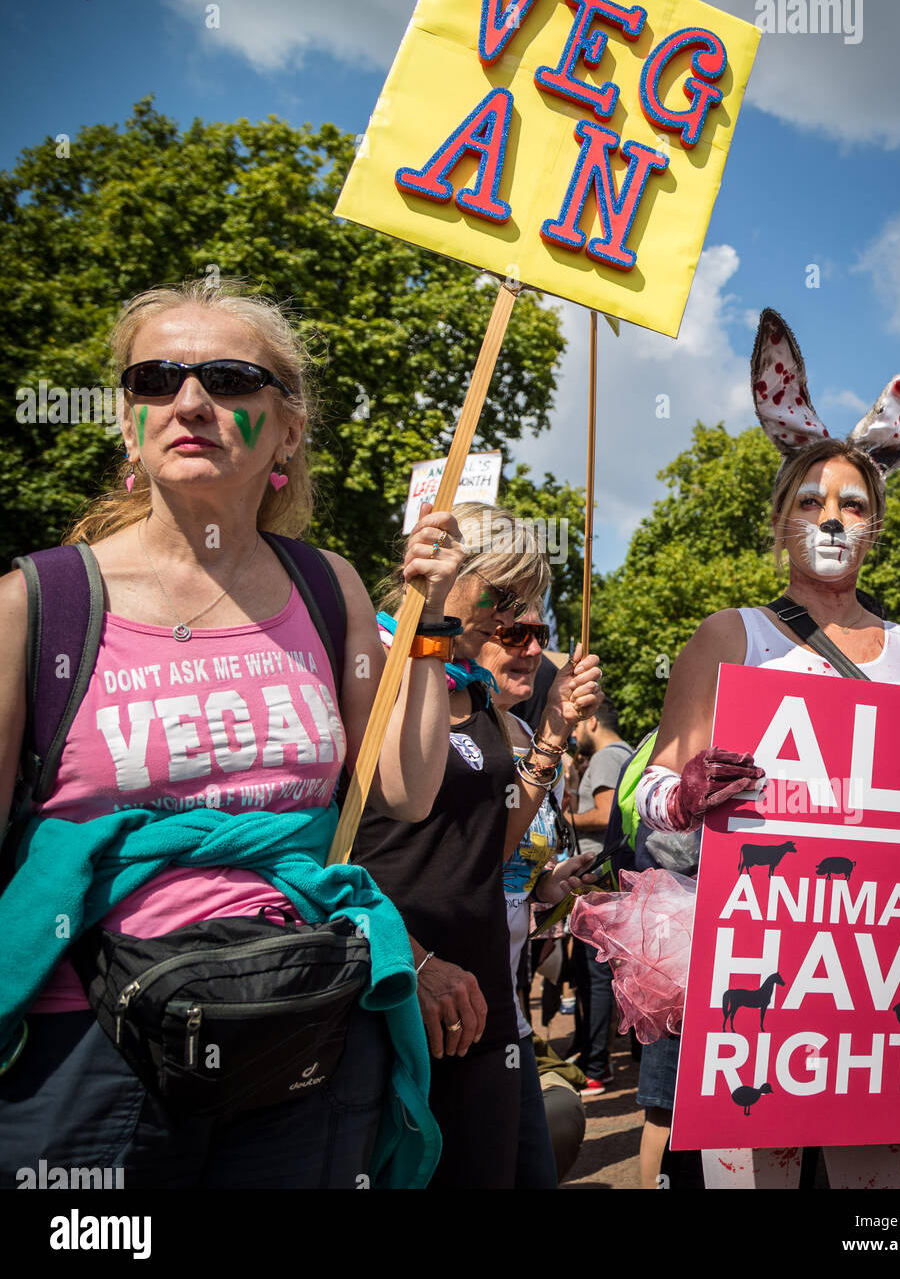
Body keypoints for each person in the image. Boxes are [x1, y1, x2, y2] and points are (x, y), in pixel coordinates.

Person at [0, 279, 466, 1189]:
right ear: (129, 424)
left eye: (227, 378)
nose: (189, 402)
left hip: (303, 1018)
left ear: (286, 431)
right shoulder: (37, 605)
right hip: (93, 1040)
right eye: (155, 380)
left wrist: (434, 616)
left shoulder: (327, 587)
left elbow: (407, 789)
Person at [634, 309, 900, 1189]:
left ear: (875, 526)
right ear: (779, 523)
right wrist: (687, 792)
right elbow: (650, 792)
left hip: (880, 983)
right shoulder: (728, 637)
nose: (831, 516)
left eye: (851, 502)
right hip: (757, 963)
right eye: (809, 501)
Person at [351, 503, 603, 1188]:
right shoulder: (369, 659)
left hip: (485, 1000)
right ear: (450, 575)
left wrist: (549, 735)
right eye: (500, 597)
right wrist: (414, 961)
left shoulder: (478, 691)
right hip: (391, 992)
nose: (510, 620)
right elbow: (325, 851)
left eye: (525, 603)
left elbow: (489, 849)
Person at [478, 611, 594, 1188]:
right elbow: (471, 862)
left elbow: (509, 868)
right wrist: (554, 734)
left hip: (511, 1013)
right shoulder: (452, 737)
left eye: (539, 637)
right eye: (512, 635)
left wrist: (547, 883)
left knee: (536, 1166)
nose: (530, 651)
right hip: (449, 1009)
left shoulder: (522, 735)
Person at [569, 701, 632, 1095]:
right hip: (609, 879)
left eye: (578, 724)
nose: (575, 733)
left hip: (598, 879)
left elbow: (607, 814)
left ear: (592, 720)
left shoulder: (609, 758)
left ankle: (596, 1065)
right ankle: (594, 1057)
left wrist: (566, 819)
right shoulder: (627, 753)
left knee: (595, 976)